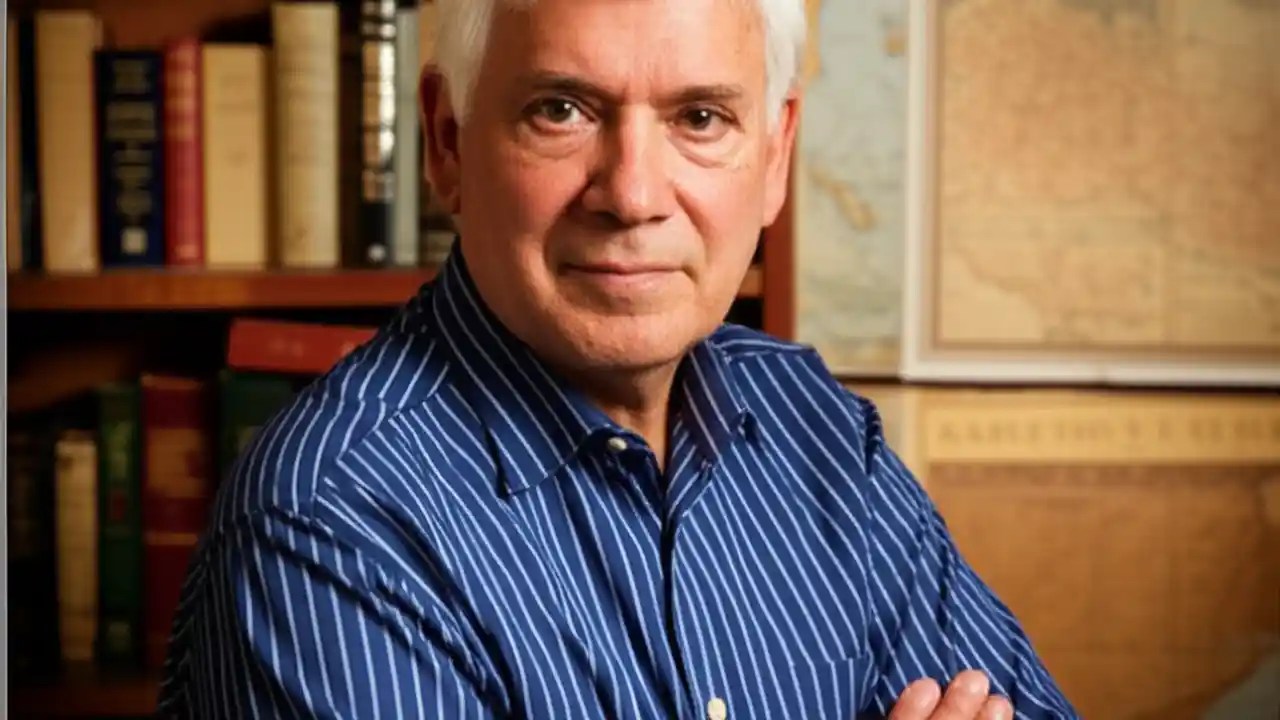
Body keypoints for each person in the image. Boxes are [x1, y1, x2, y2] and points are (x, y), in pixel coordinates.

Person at [157, 0, 1078, 717]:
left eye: (702, 118)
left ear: (774, 156)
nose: (633, 195)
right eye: (561, 110)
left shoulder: (815, 426)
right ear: (447, 143)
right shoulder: (329, 523)